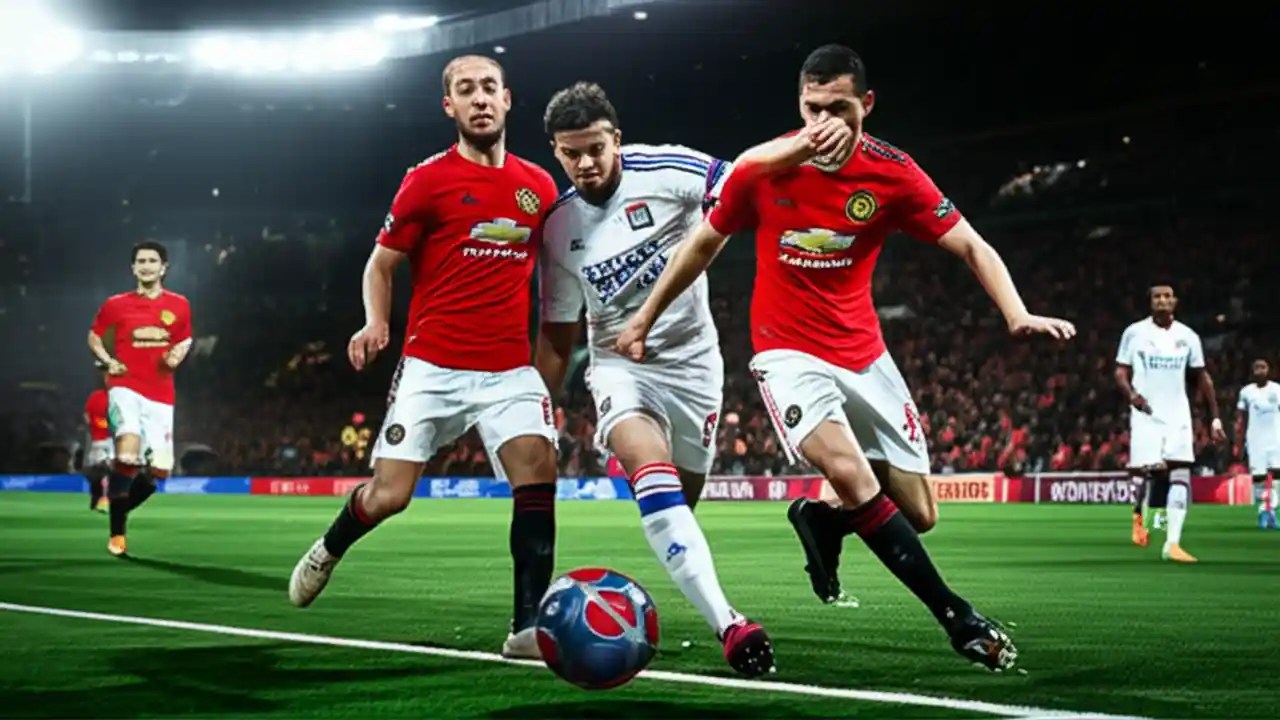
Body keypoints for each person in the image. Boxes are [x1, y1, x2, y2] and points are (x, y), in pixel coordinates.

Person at [617, 44, 1076, 671]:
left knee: (921, 514)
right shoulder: (767, 169)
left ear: (867, 104)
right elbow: (700, 247)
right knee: (855, 478)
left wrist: (1016, 312)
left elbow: (970, 244)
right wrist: (643, 319)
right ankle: (958, 618)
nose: (825, 123)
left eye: (839, 108)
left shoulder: (893, 173)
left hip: (865, 354)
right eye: (813, 109)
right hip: (786, 353)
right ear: (798, 107)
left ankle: (823, 519)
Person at [287, 55, 561, 660]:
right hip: (432, 366)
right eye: (466, 90)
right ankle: (329, 547)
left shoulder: (538, 186)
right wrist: (376, 319)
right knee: (390, 495)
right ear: (450, 107)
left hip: (508, 370)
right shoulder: (427, 181)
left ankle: (525, 628)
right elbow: (381, 263)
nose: (480, 99)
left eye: (489, 88)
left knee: (538, 475)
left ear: (508, 99)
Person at [535, 82, 804, 676]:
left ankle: (692, 589)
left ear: (617, 140)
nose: (584, 164)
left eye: (596, 149)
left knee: (681, 501)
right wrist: (538, 403)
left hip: (695, 367)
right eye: (570, 153)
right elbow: (558, 330)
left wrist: (805, 147)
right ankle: (730, 624)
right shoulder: (556, 228)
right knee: (649, 474)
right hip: (619, 368)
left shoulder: (668, 167)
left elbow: (742, 184)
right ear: (556, 151)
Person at [87, 241, 193, 556]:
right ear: (133, 268)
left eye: (152, 260)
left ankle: (120, 509)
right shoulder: (115, 305)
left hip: (161, 393)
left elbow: (185, 338)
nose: (146, 266)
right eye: (141, 261)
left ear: (164, 267)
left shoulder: (179, 305)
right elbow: (94, 336)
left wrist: (178, 354)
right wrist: (108, 361)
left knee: (160, 469)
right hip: (125, 386)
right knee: (128, 454)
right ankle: (117, 535)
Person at [1115, 284, 1226, 562]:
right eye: (1157, 297)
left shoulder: (1187, 336)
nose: (1162, 300)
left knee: (1180, 471)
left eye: (1167, 296)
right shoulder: (1135, 332)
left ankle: (1171, 543)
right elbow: (1120, 371)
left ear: (1174, 301)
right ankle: (1140, 520)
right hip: (1146, 414)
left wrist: (1214, 417)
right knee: (1145, 474)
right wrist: (1132, 396)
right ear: (1150, 302)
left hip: (1177, 413)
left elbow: (1202, 377)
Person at [1235, 358, 1280, 529]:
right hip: (1255, 440)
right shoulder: (1246, 392)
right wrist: (1238, 442)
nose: (1260, 370)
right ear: (1252, 371)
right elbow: (1241, 417)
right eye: (1256, 368)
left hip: (1276, 439)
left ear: (1269, 370)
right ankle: (1263, 510)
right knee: (1259, 478)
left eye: (1263, 367)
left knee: (1275, 477)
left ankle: (1272, 511)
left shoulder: (1277, 389)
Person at [83, 369, 113, 513]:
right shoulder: (97, 397)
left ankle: (104, 500)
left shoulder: (121, 397)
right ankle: (98, 500)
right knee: (97, 471)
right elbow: (87, 416)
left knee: (107, 471)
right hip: (99, 440)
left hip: (115, 441)